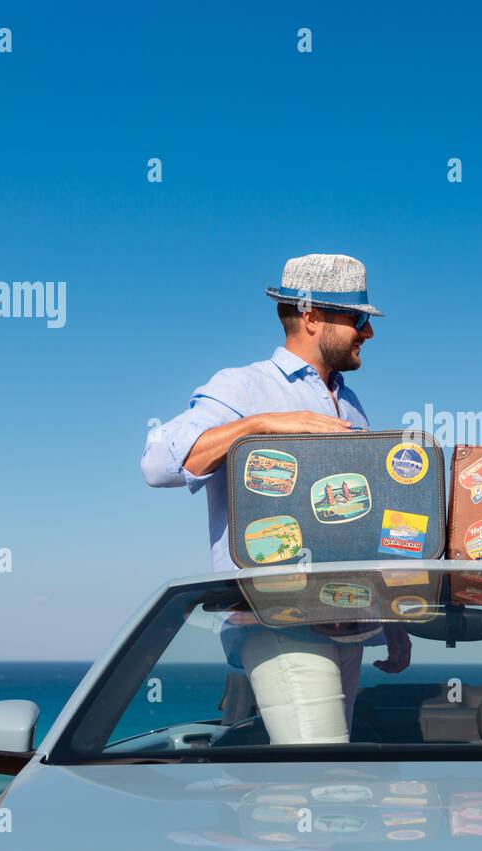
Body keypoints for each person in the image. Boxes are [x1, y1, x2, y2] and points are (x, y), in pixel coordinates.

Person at [140, 253, 410, 744]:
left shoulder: (348, 401)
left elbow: (357, 519)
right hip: (276, 619)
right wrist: (260, 425)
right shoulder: (243, 385)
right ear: (311, 317)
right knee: (321, 773)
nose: (368, 333)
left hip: (346, 620)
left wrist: (387, 616)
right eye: (359, 319)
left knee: (323, 786)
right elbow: (158, 464)